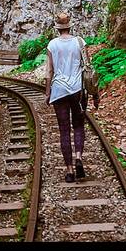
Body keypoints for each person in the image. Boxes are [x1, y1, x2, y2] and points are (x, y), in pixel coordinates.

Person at [44, 13, 96, 182]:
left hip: (59, 91)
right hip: (77, 90)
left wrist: (47, 93)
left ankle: (69, 170)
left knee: (64, 130)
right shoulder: (79, 42)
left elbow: (49, 72)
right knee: (79, 126)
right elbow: (89, 69)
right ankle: (79, 157)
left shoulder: (52, 45)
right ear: (70, 26)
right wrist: (96, 93)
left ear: (57, 27)